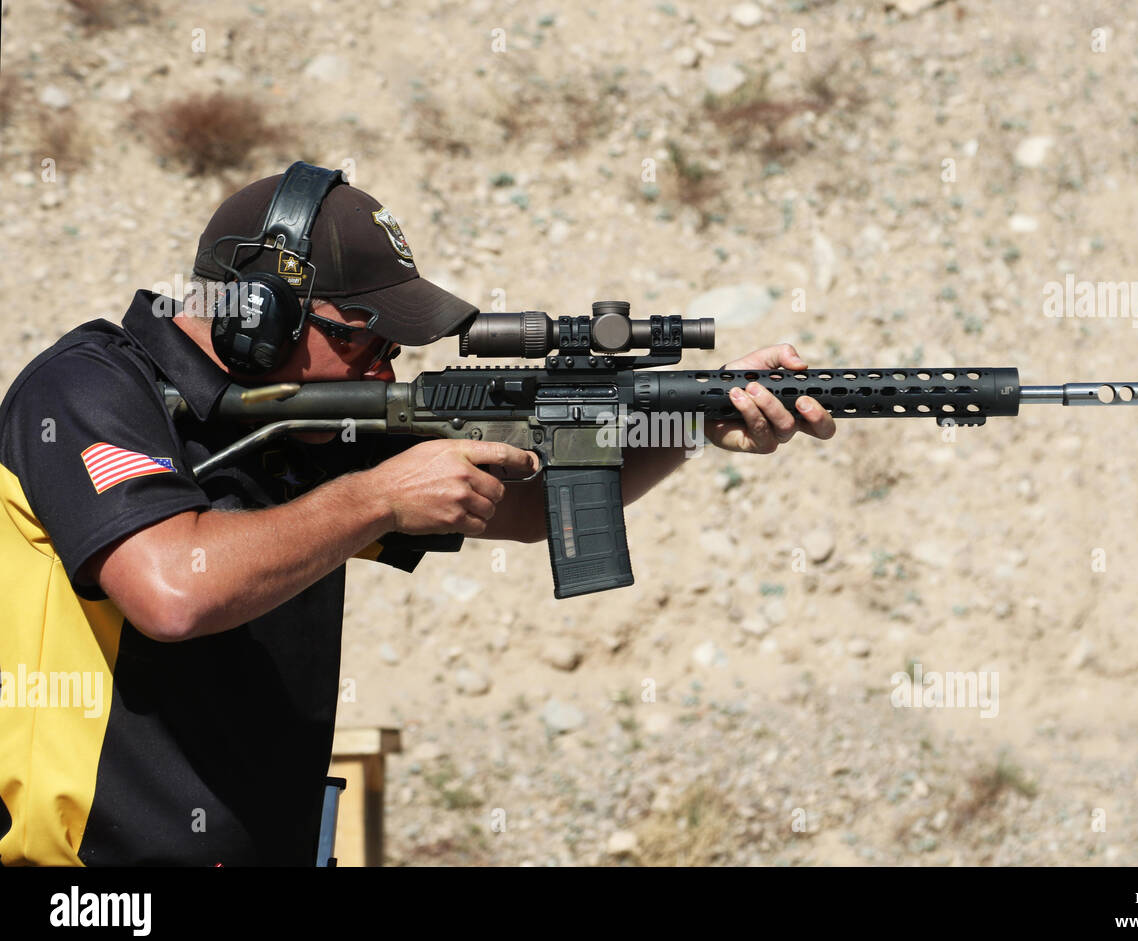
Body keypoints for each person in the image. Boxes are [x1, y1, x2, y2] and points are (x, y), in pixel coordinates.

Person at [0, 164, 835, 866]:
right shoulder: (87, 389)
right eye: (367, 337)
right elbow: (172, 589)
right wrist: (378, 495)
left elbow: (538, 506)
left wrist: (690, 419)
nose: (387, 365)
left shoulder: (304, 419)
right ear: (260, 311)